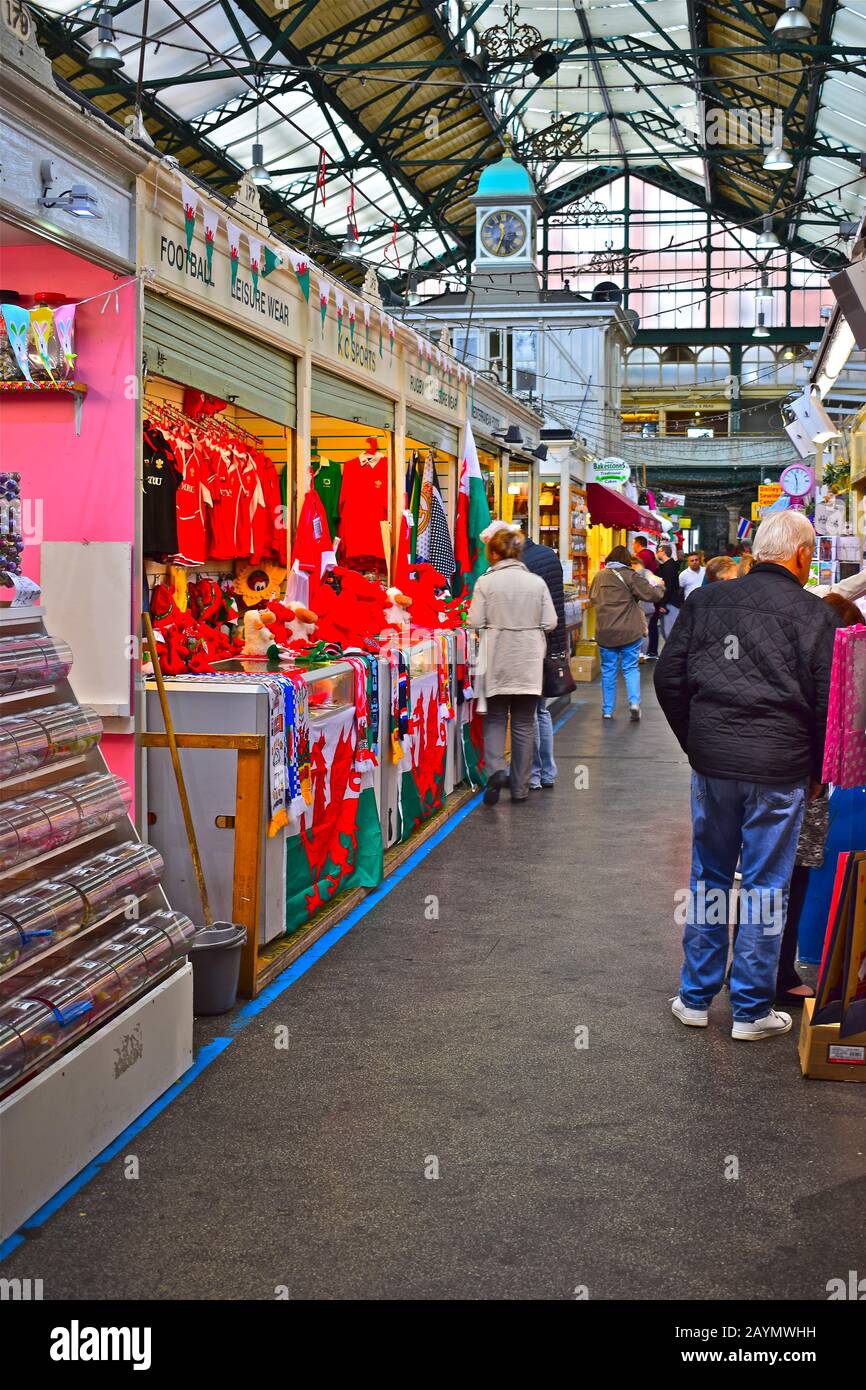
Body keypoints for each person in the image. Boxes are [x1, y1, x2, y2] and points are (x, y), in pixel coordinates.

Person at [654, 510, 842, 1041]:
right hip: (780, 769)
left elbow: (670, 676)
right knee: (764, 885)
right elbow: (830, 702)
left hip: (715, 766)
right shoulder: (813, 615)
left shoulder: (706, 601)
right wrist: (816, 770)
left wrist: (699, 741)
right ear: (802, 554)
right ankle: (750, 1010)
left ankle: (694, 997)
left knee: (710, 876)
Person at [467, 521, 557, 807]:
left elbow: (474, 622)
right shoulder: (536, 582)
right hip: (528, 661)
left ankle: (495, 773)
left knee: (495, 718)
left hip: (497, 659)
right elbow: (551, 622)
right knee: (523, 723)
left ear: (493, 554)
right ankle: (520, 788)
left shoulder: (486, 582)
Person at [589, 544, 665, 722]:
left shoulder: (599, 576)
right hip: (629, 631)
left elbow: (593, 597)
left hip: (606, 631)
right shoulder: (630, 575)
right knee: (630, 668)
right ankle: (634, 703)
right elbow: (652, 595)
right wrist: (661, 586)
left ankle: (607, 710)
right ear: (626, 561)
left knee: (608, 670)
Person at [521, 533, 567, 791]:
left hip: (530, 647)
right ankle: (547, 771)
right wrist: (560, 646)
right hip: (550, 642)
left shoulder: (523, 563)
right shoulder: (549, 555)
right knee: (542, 710)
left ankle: (536, 774)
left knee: (530, 713)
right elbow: (556, 609)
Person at [632, 534, 660, 658]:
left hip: (642, 606)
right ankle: (644, 653)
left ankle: (640, 654)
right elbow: (657, 586)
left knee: (641, 632)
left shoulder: (636, 574)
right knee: (646, 630)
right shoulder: (649, 572)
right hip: (650, 605)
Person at [654, 543, 681, 642]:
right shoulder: (667, 566)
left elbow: (668, 587)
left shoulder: (668, 567)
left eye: (658, 551)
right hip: (669, 602)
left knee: (668, 632)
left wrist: (663, 604)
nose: (657, 553)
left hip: (670, 604)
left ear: (663, 552)